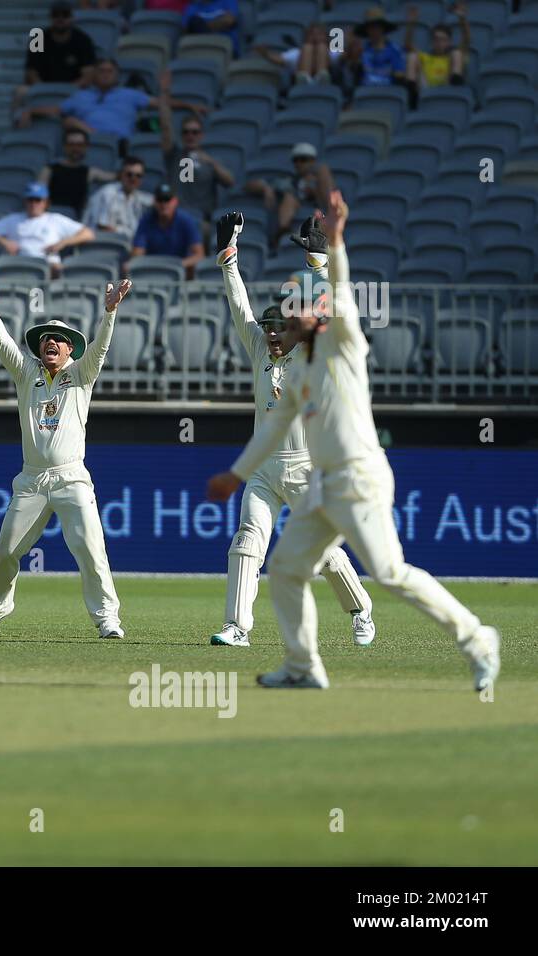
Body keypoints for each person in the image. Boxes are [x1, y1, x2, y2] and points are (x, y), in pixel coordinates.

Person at [206, 193, 501, 691]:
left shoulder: (345, 346)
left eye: (296, 311)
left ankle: (477, 638)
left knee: (390, 572)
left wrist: (333, 248)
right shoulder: (296, 371)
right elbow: (275, 429)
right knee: (286, 567)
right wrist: (236, 474)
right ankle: (302, 665)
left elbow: (339, 294)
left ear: (316, 317)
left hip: (359, 477)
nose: (285, 319)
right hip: (321, 482)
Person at [209, 210, 375, 649]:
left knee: (321, 554)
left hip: (305, 469)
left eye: (279, 328)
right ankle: (237, 627)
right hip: (263, 471)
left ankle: (360, 610)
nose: (271, 336)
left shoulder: (309, 356)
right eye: (266, 330)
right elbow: (237, 304)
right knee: (246, 542)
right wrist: (229, 260)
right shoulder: (259, 351)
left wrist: (317, 263)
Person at [0, 266, 131, 640]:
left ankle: (107, 618)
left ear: (70, 348)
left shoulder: (82, 373)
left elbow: (101, 348)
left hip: (72, 478)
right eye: (45, 339)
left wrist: (110, 313)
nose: (51, 343)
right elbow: (2, 343)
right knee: (5, 552)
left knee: (91, 550)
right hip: (31, 482)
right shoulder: (27, 373)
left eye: (58, 339)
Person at [19, 58, 207, 154]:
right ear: (94, 74)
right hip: (88, 144)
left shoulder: (130, 94)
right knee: (68, 122)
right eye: (101, 71)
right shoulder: (81, 96)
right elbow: (56, 110)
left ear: (117, 75)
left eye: (110, 71)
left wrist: (190, 106)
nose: (105, 74)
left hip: (121, 145)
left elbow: (161, 104)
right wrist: (31, 110)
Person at [158, 73, 235, 225]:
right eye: (186, 132)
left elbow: (230, 181)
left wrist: (212, 163)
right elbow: (165, 125)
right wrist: (164, 93)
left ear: (201, 135)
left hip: (202, 220)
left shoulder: (211, 160)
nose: (190, 136)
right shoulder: (174, 155)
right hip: (175, 219)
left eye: (195, 132)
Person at [0, 181, 94, 278]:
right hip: (16, 260)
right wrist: (3, 241)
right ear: (25, 201)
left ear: (46, 202)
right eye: (30, 199)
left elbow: (87, 234)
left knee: (59, 269)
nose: (34, 204)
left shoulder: (55, 219)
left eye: (38, 200)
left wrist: (63, 243)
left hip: (46, 261)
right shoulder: (14, 219)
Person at [12, 1, 98, 111]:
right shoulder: (37, 38)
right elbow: (31, 72)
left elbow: (88, 75)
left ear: (72, 18)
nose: (60, 19)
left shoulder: (83, 40)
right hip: (43, 87)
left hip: (74, 89)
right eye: (56, 15)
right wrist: (45, 89)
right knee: (20, 92)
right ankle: (19, 125)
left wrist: (67, 89)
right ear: (50, 18)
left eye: (65, 15)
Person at [245, 142, 335, 246]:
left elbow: (330, 197)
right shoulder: (289, 182)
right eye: (296, 160)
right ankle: (282, 232)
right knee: (289, 197)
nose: (299, 163)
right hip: (296, 217)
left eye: (303, 159)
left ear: (312, 161)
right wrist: (266, 189)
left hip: (321, 216)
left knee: (324, 170)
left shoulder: (322, 180)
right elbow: (249, 186)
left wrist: (316, 189)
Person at [130, 183, 205, 279]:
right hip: (151, 273)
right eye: (160, 200)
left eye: (167, 200)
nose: (163, 204)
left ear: (175, 201)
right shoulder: (146, 221)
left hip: (179, 277)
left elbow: (199, 255)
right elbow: (137, 254)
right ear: (155, 202)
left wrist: (177, 265)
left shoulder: (186, 221)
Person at [37, 128, 113, 219]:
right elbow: (38, 197)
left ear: (86, 147)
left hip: (76, 222)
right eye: (71, 144)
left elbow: (115, 176)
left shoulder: (89, 172)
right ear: (64, 146)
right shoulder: (49, 170)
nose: (75, 148)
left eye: (80, 145)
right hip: (51, 219)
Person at [346, 6, 413, 101]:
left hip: (388, 95)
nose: (373, 30)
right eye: (370, 27)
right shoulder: (361, 50)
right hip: (365, 95)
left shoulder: (395, 51)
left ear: (383, 28)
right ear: (367, 30)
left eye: (376, 26)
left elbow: (399, 78)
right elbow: (352, 71)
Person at [82, 155, 152, 237]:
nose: (133, 179)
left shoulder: (136, 196)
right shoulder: (108, 193)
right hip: (100, 243)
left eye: (138, 176)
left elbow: (158, 201)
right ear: (121, 175)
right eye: (129, 174)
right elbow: (104, 228)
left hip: (120, 243)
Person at [405, 3, 469, 88]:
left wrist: (462, 18)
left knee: (457, 53)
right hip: (426, 90)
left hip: (448, 88)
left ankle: (455, 86)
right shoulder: (425, 57)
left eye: (443, 39)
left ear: (449, 42)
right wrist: (411, 24)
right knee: (412, 56)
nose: (439, 42)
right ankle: (411, 92)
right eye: (436, 39)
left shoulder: (452, 57)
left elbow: (466, 39)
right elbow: (408, 44)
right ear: (432, 41)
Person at [254, 22, 341, 85]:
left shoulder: (332, 52)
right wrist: (266, 54)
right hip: (302, 84)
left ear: (326, 37)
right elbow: (280, 59)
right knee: (307, 48)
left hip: (327, 84)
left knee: (322, 47)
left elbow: (344, 57)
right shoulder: (298, 53)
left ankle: (322, 77)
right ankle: (304, 78)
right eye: (312, 34)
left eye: (319, 34)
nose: (315, 37)